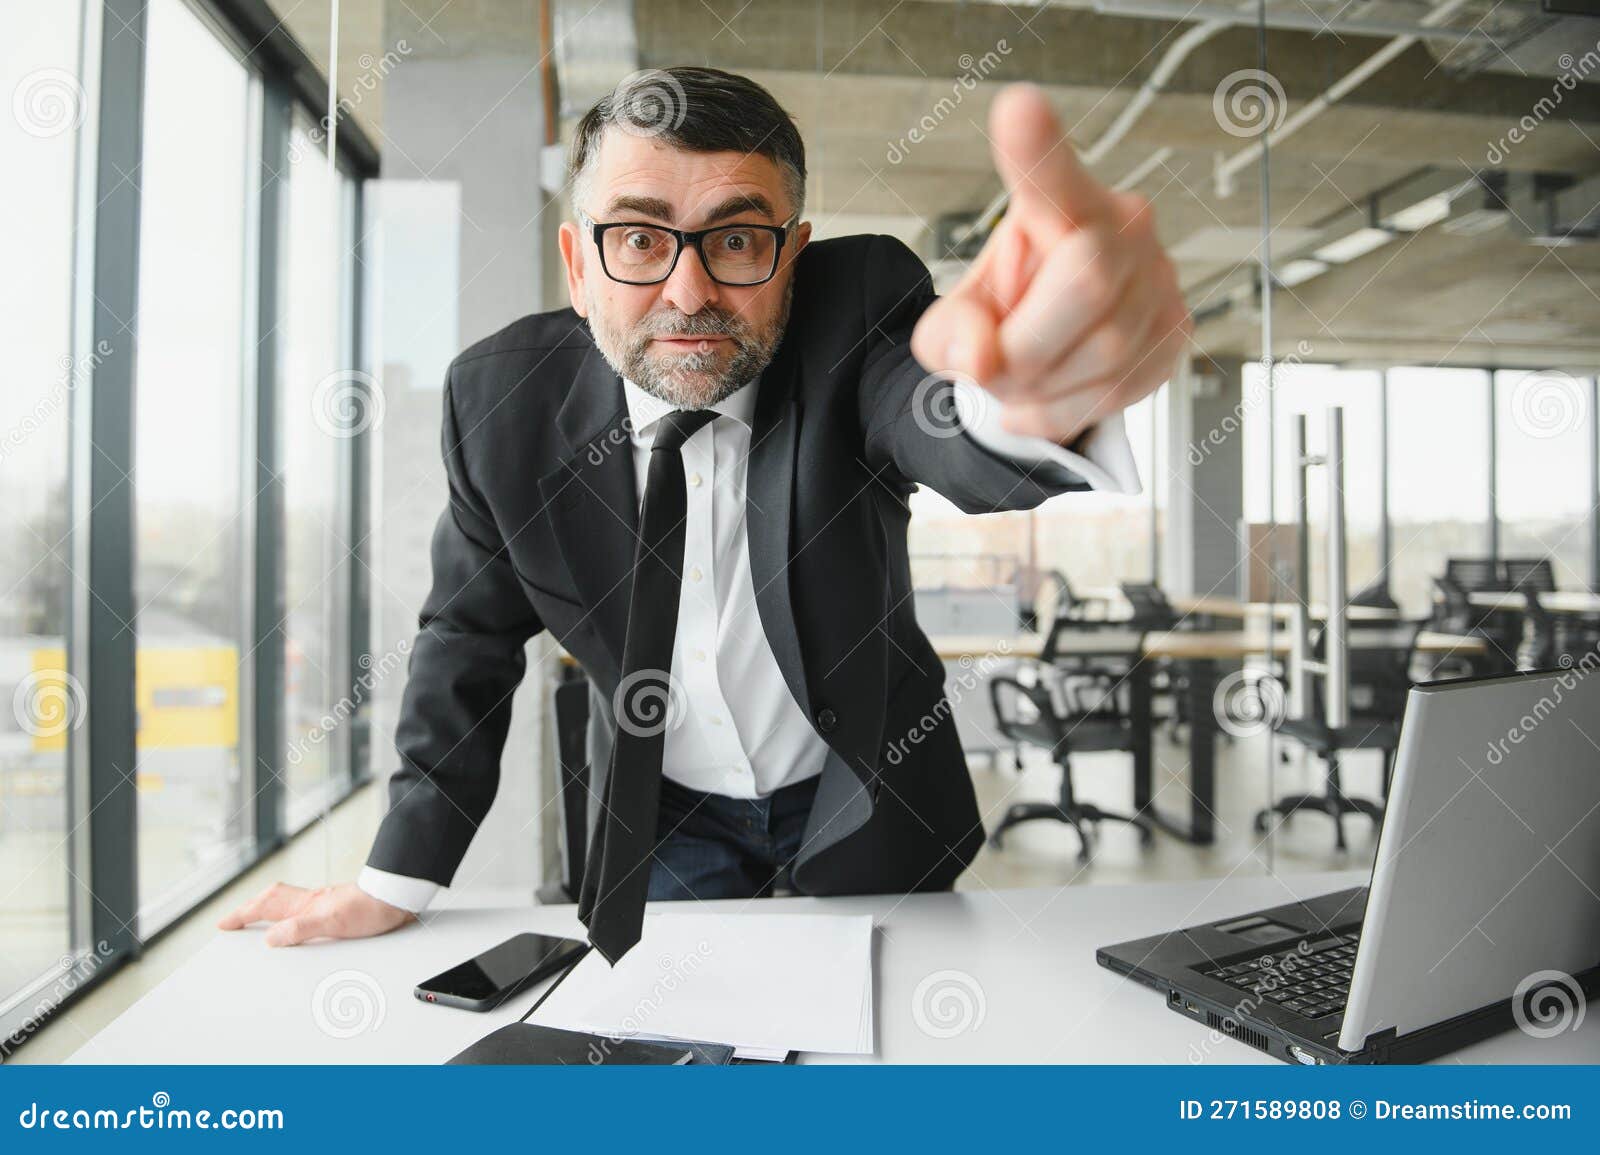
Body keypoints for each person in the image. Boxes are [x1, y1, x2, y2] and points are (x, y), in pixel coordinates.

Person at [220, 67, 1189, 958]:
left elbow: (930, 412)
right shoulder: (500, 405)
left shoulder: (853, 317)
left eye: (735, 239)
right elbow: (464, 640)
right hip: (665, 818)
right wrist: (395, 879)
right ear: (578, 265)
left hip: (865, 802)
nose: (689, 293)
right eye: (640, 238)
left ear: (792, 256)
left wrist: (1021, 402)